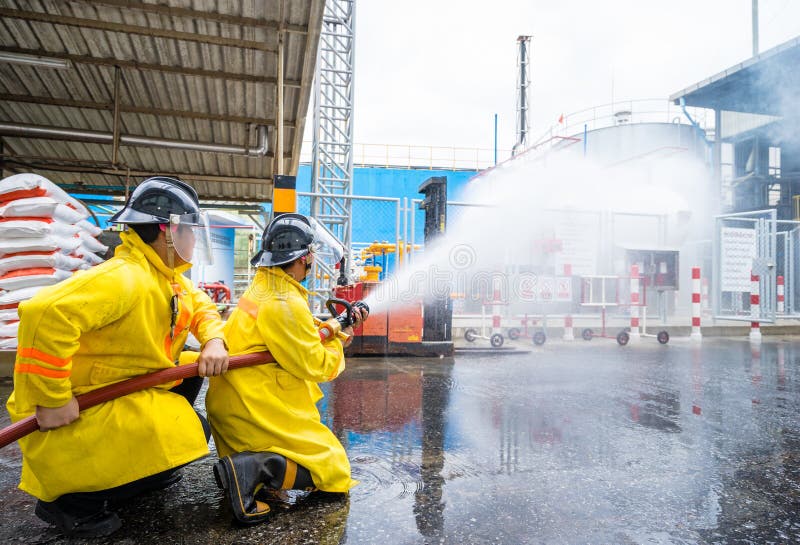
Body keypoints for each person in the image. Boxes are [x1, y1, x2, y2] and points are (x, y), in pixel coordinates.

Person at [5, 176, 229, 538]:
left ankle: (139, 475)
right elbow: (44, 313)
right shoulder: (126, 277)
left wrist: (214, 340)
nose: (193, 239)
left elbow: (199, 304)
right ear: (167, 232)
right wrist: (52, 398)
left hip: (116, 393)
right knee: (192, 427)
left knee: (189, 379)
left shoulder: (163, 277)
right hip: (77, 412)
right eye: (190, 229)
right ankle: (71, 503)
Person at [206, 212, 367, 525]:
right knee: (334, 471)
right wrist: (338, 343)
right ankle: (252, 469)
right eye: (310, 256)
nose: (310, 262)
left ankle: (256, 468)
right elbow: (318, 365)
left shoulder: (265, 287)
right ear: (302, 257)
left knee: (321, 461)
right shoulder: (284, 302)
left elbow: (294, 330)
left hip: (238, 405)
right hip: (256, 407)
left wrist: (333, 326)